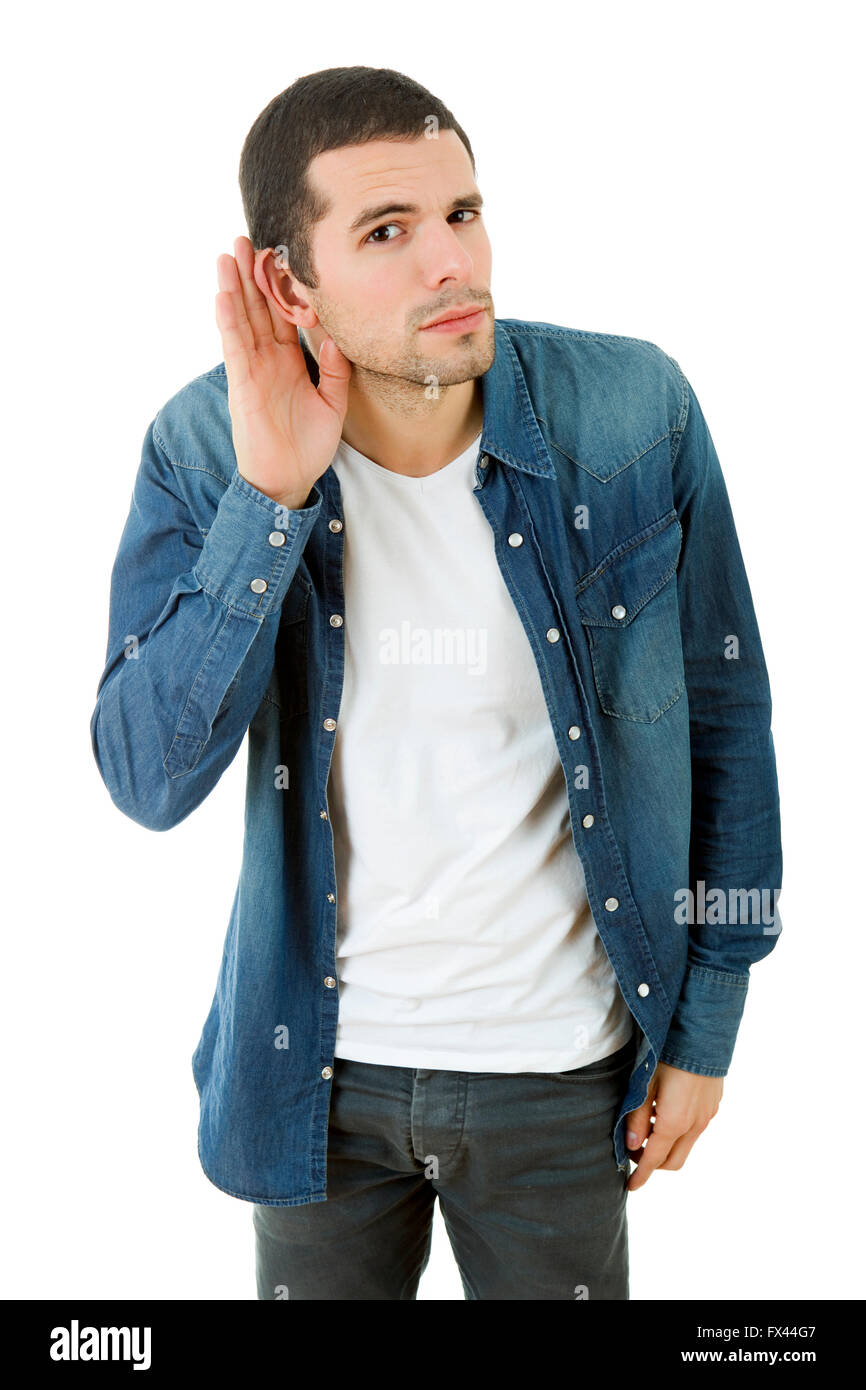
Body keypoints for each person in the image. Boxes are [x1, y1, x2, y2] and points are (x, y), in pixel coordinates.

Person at [90, 66, 783, 1301]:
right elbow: (145, 778)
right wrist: (270, 502)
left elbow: (728, 718)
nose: (447, 264)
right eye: (386, 233)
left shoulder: (634, 412)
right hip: (314, 1080)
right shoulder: (203, 449)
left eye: (461, 214)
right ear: (283, 282)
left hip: (566, 1081)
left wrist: (708, 1023)